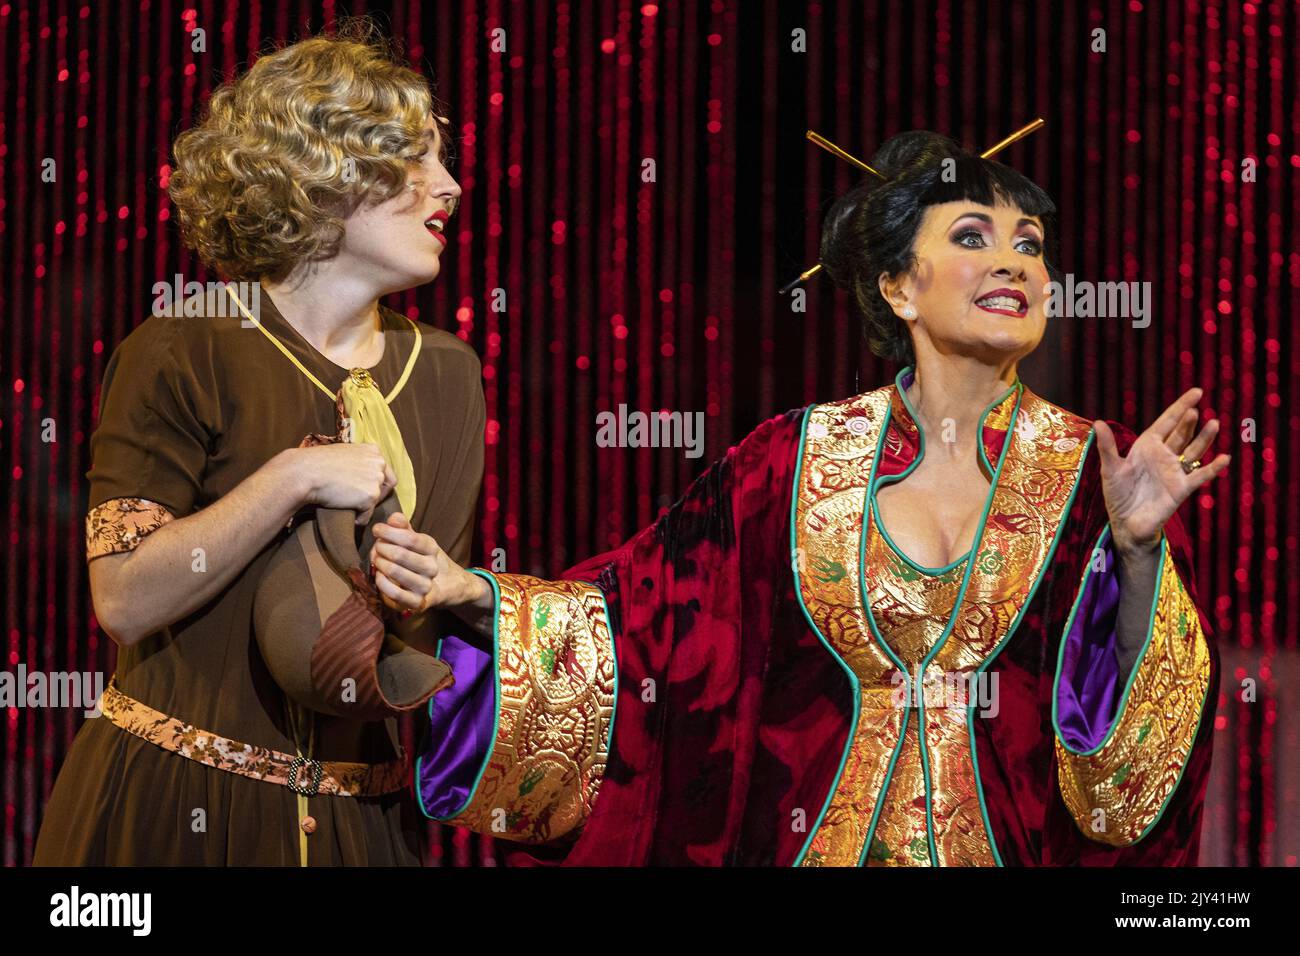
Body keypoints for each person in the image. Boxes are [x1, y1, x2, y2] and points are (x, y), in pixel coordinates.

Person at [410, 130, 1228, 866]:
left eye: (1032, 245)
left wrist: (1139, 550)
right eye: (975, 238)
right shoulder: (797, 459)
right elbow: (641, 623)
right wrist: (475, 599)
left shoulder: (1103, 468)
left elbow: (1136, 764)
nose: (1017, 263)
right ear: (899, 288)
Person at [34, 21, 482, 865]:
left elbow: (412, 654)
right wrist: (291, 478)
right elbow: (123, 599)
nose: (450, 186)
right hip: (172, 815)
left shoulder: (449, 373)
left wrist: (456, 589)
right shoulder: (184, 345)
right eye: (416, 160)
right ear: (324, 173)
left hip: (364, 830)